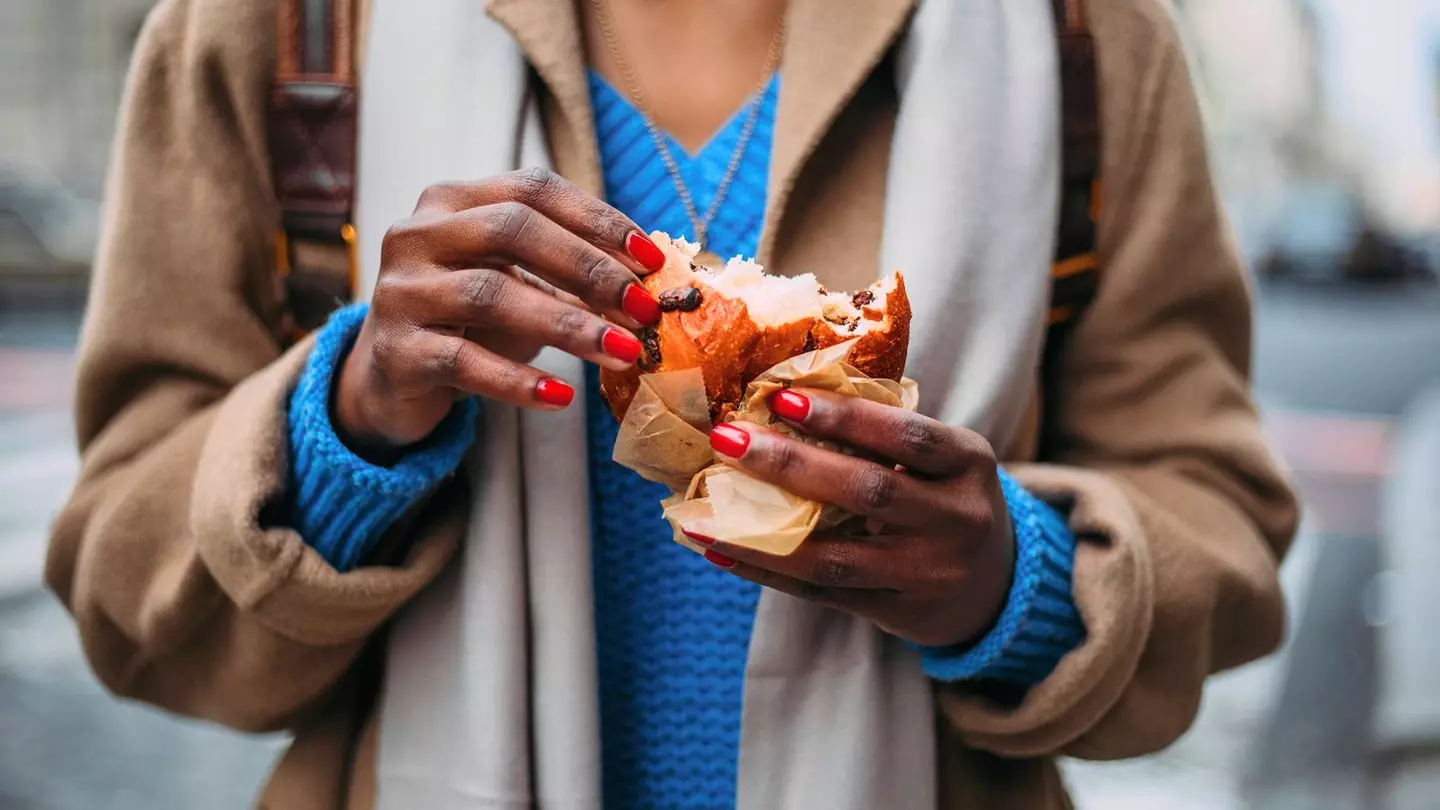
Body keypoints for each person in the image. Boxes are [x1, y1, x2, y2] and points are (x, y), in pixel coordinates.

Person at [46, 0, 1300, 808]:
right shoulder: (283, 34)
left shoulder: (1081, 38)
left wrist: (1005, 581)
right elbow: (124, 589)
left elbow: (1218, 525)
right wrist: (353, 416)